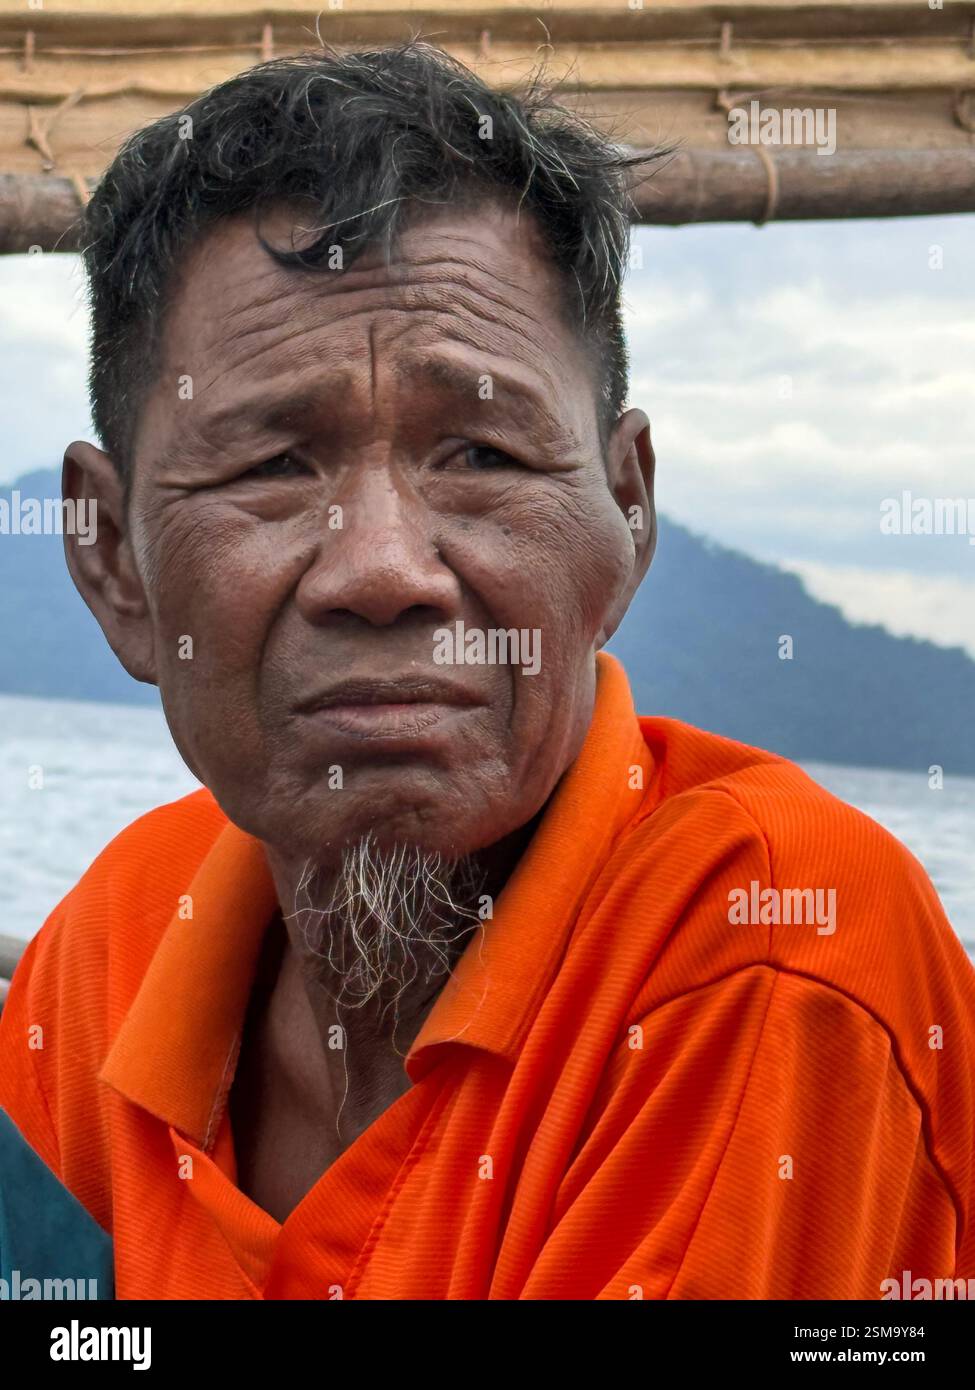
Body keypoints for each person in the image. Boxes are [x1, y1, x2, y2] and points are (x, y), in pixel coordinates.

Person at [2, 41, 973, 1301]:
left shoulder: (776, 941)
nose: (384, 568)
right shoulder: (118, 938)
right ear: (115, 567)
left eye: (480, 453)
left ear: (625, 516)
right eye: (271, 467)